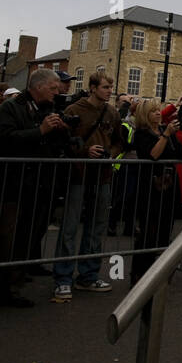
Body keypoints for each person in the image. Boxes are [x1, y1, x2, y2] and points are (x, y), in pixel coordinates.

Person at [0, 68, 68, 310]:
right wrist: (40, 131)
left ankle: (12, 289)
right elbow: (7, 139)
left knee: (25, 240)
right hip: (14, 184)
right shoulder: (12, 107)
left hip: (40, 185)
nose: (56, 92)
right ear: (38, 86)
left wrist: (60, 130)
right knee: (4, 240)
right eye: (53, 88)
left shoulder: (48, 109)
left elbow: (58, 145)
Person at [51, 70, 124, 301]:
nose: (109, 91)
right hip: (78, 175)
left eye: (111, 87)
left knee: (97, 226)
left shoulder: (112, 112)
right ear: (93, 87)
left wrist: (110, 155)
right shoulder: (74, 109)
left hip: (102, 175)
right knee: (70, 226)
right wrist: (85, 151)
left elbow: (119, 141)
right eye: (105, 87)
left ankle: (89, 275)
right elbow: (62, 142)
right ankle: (62, 277)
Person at [129, 98, 182, 284]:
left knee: (164, 231)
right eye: (153, 111)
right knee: (148, 233)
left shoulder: (163, 130)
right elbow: (153, 154)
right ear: (145, 114)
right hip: (151, 187)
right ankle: (139, 274)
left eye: (158, 110)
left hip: (169, 186)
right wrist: (166, 135)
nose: (157, 113)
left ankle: (158, 274)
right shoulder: (142, 134)